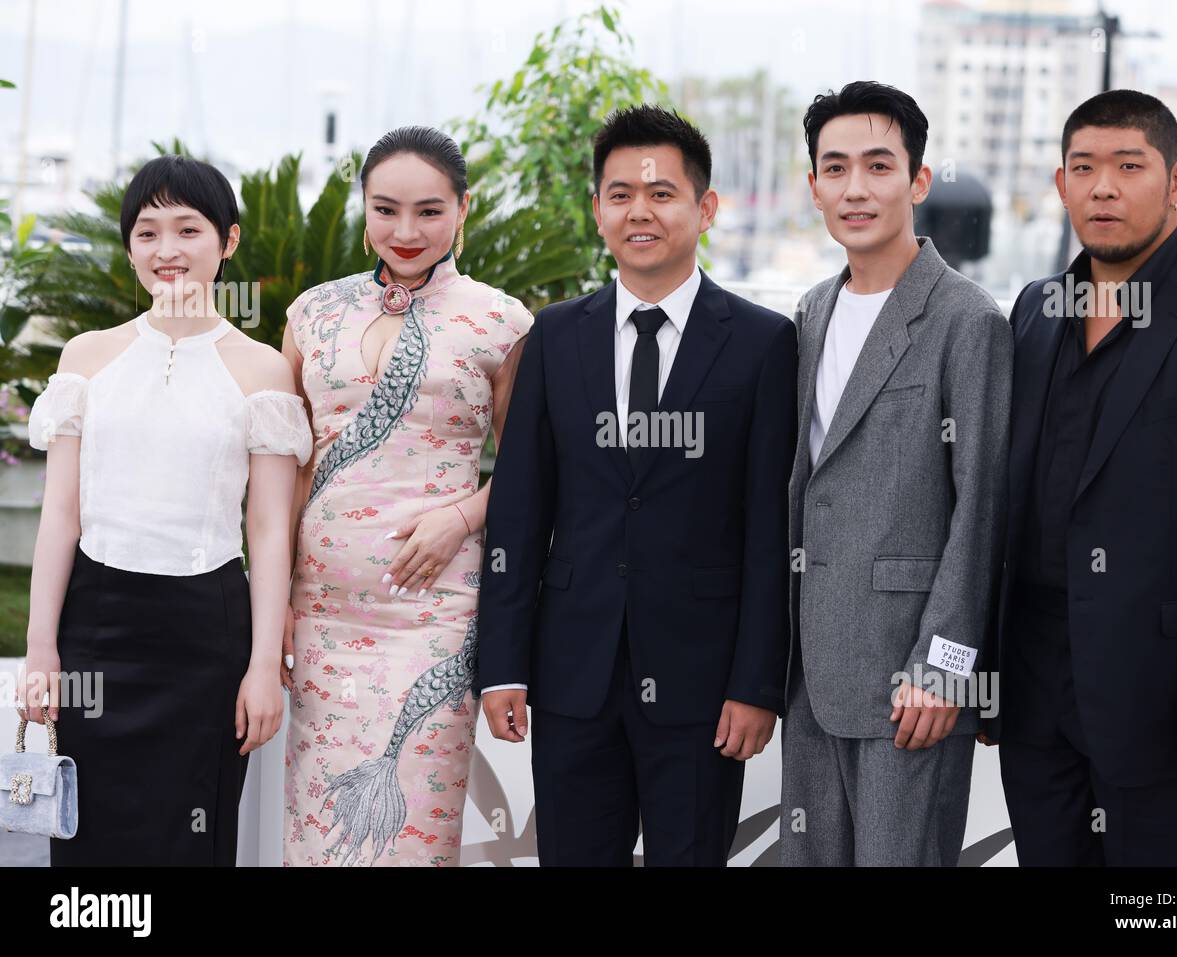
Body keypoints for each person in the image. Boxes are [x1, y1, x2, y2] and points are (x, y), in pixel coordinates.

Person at [982, 90, 1177, 866]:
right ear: (1061, 186)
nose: (1103, 188)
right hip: (1032, 687)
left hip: (1170, 698)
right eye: (1083, 168)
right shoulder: (1033, 310)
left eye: (1130, 166)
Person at [475, 105, 797, 866]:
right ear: (597, 211)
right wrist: (504, 666)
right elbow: (520, 513)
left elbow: (769, 530)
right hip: (571, 676)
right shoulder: (555, 337)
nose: (639, 211)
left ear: (704, 208)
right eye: (619, 194)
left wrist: (758, 683)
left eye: (661, 193)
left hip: (703, 685)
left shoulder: (762, 343)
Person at [19, 154, 312, 865]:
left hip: (207, 634)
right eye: (147, 232)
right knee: (88, 838)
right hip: (97, 624)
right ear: (128, 247)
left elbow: (269, 529)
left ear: (229, 240)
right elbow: (60, 514)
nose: (168, 249)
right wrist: (40, 649)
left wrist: (262, 665)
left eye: (188, 228)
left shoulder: (261, 369)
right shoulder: (86, 358)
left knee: (194, 833)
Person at [280, 126, 533, 866]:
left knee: (409, 835)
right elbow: (291, 467)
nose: (405, 230)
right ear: (364, 210)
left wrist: (461, 517)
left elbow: (529, 464)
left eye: (428, 210)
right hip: (322, 615)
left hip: (436, 617)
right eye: (385, 209)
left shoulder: (502, 319)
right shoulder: (311, 313)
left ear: (463, 208)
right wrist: (279, 605)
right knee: (322, 833)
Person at [780, 81, 1012, 866]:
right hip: (809, 673)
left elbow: (981, 506)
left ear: (918, 180)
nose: (855, 188)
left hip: (908, 682)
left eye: (878, 166)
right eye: (834, 168)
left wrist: (944, 669)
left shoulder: (967, 318)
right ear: (813, 186)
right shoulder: (810, 310)